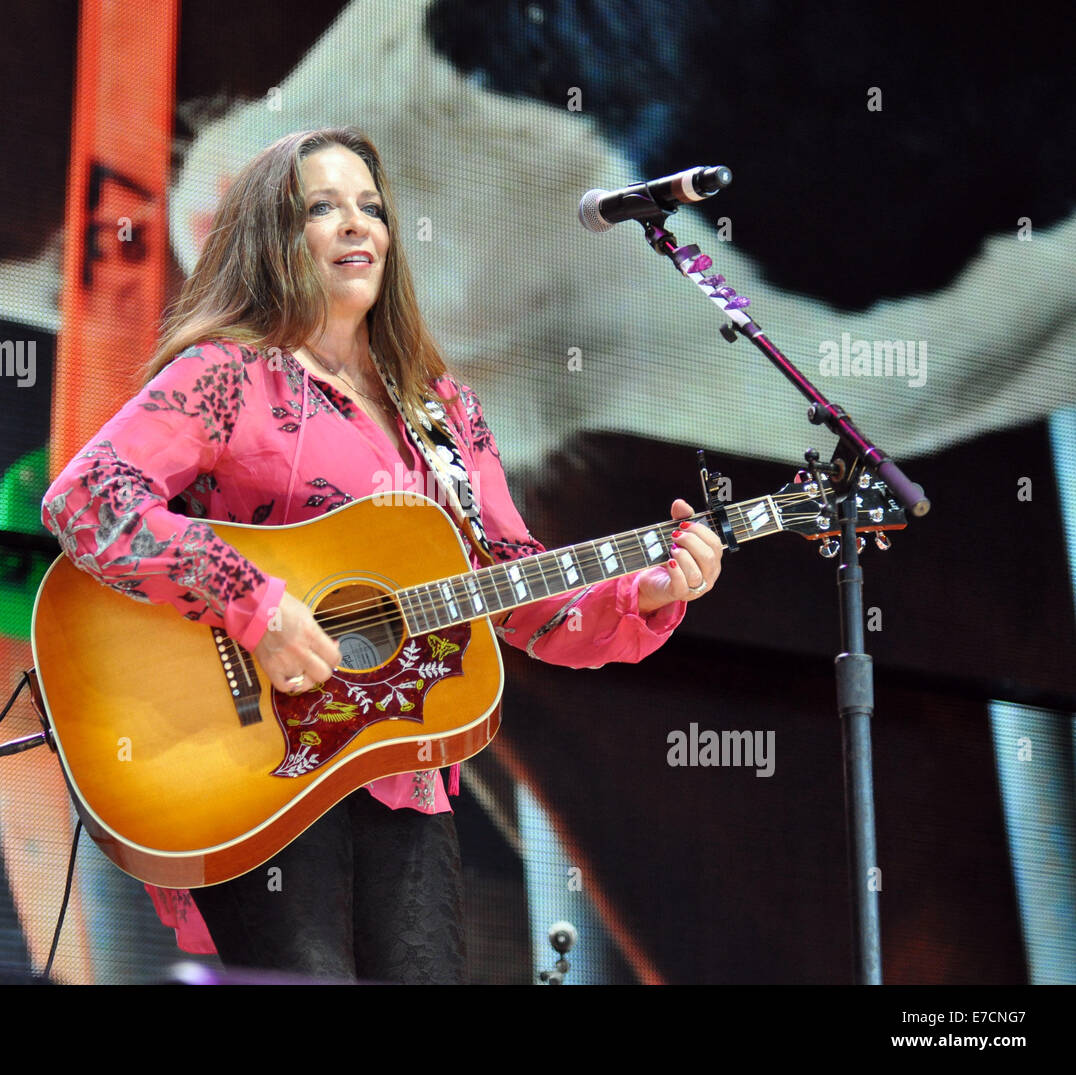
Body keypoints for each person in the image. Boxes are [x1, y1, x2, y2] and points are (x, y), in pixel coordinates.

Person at [41, 127, 723, 983]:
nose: (356, 225)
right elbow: (89, 497)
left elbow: (514, 589)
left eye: (371, 207)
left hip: (401, 773)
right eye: (323, 207)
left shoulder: (445, 412)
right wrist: (258, 604)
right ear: (274, 236)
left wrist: (649, 590)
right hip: (253, 763)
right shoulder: (227, 375)